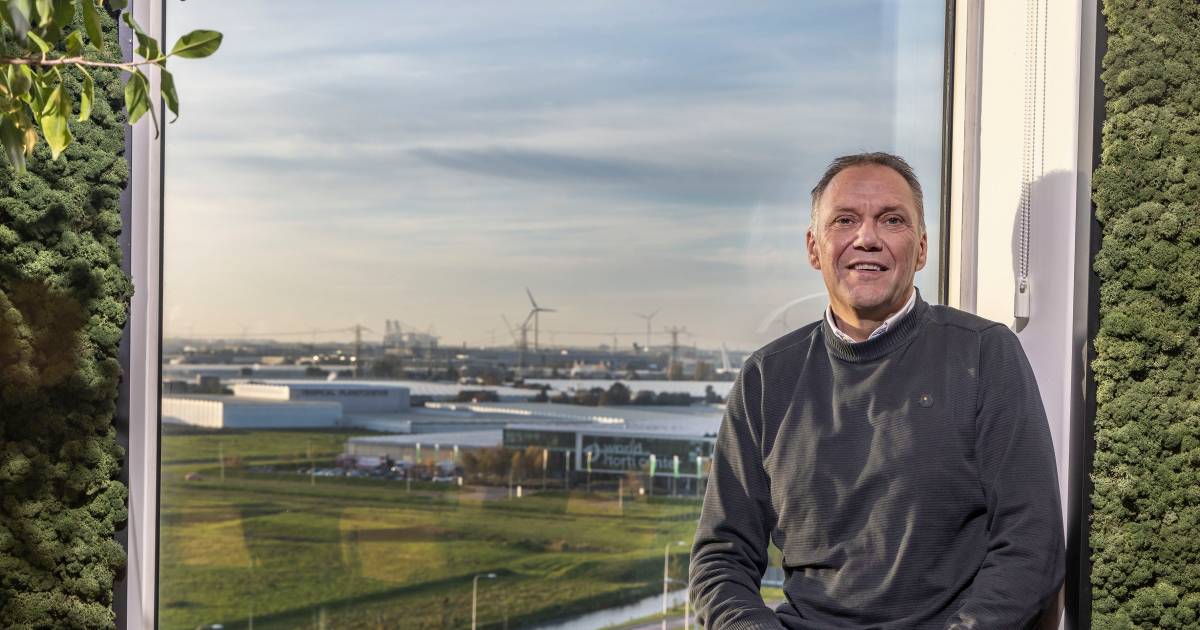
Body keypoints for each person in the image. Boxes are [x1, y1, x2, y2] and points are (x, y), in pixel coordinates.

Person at [689, 152, 1064, 629]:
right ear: (813, 248)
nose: (867, 239)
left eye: (891, 220)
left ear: (922, 248)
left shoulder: (985, 356)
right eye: (845, 220)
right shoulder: (766, 379)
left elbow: (1032, 542)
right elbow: (720, 559)